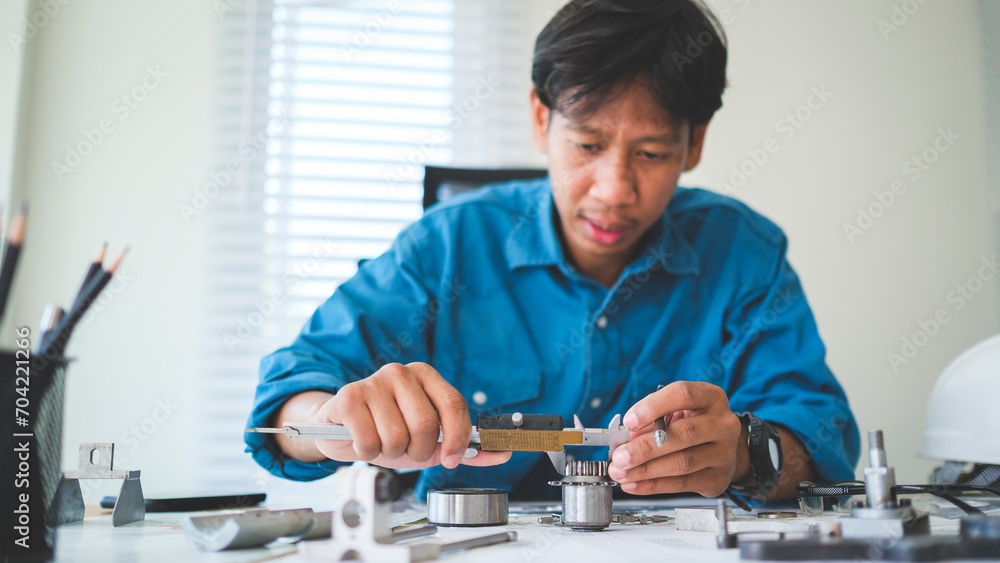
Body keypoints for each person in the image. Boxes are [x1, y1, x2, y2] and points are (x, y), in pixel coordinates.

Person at [245, 0, 860, 502]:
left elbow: (822, 434)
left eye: (650, 154)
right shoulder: (448, 246)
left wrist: (749, 453)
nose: (615, 191)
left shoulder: (744, 255)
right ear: (542, 120)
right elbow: (286, 404)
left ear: (694, 144)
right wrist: (334, 424)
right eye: (588, 145)